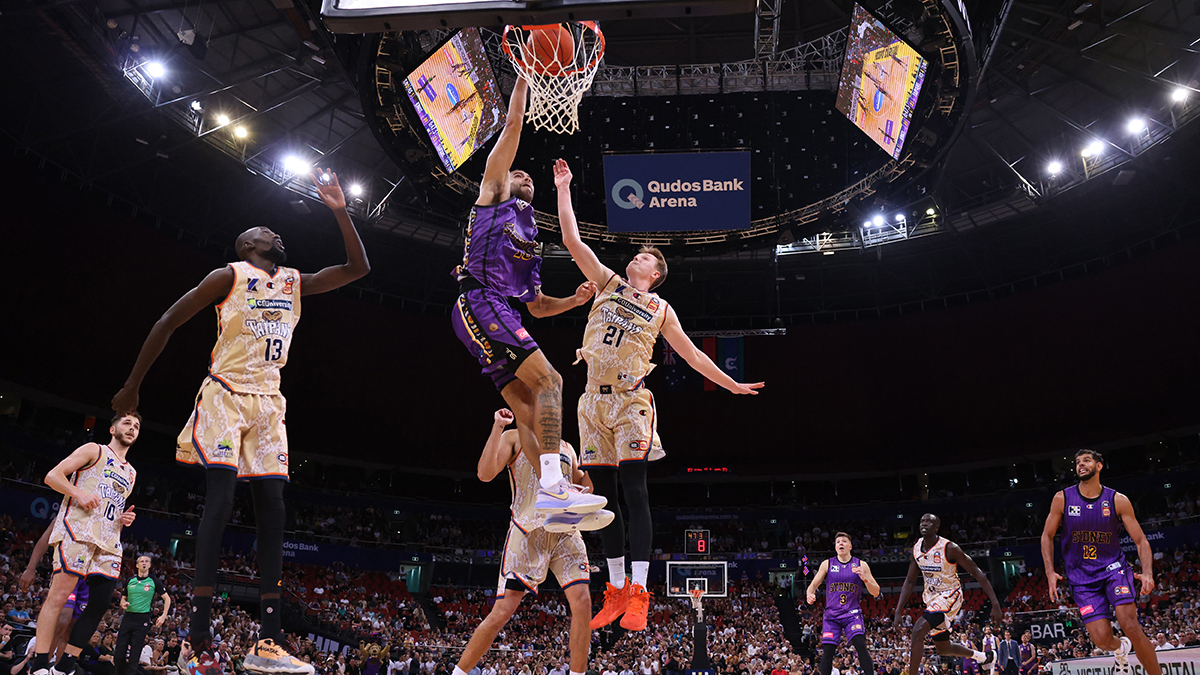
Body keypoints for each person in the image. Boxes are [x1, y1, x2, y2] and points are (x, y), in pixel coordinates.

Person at [111, 168, 369, 675]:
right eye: (266, 230)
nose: (277, 232)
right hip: (226, 394)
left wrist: (339, 209)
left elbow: (358, 269)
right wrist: (132, 385)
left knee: (273, 511)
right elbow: (167, 320)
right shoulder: (227, 275)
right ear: (248, 243)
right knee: (223, 499)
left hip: (270, 403)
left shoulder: (294, 281)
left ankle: (269, 642)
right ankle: (199, 634)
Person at [553, 158, 764, 632]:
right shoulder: (607, 283)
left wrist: (730, 383)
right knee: (602, 501)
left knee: (634, 491)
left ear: (656, 272)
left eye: (645, 257)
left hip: (630, 402)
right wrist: (564, 188)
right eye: (636, 255)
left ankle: (641, 592)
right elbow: (571, 240)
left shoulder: (660, 307)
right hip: (591, 403)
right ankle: (615, 591)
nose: (636, 258)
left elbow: (690, 356)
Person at [450, 78, 605, 516]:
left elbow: (536, 306)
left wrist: (573, 301)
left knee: (528, 405)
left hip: (493, 309)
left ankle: (549, 493)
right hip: (479, 300)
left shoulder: (532, 236)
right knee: (551, 382)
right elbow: (515, 125)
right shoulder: (493, 198)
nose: (524, 176)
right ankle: (555, 484)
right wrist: (524, 76)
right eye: (519, 172)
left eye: (528, 177)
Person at [449, 408, 607, 675]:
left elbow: (585, 490)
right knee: (502, 611)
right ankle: (458, 673)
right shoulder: (516, 436)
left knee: (582, 601)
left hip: (565, 532)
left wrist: (596, 458)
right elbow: (484, 474)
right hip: (528, 532)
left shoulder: (568, 448)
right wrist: (497, 426)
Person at [28, 414, 140, 675]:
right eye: (127, 423)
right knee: (57, 597)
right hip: (78, 531)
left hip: (109, 540)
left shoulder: (132, 473)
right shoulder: (95, 450)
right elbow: (53, 476)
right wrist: (78, 493)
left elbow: (111, 505)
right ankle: (40, 665)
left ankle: (65, 665)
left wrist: (125, 518)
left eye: (136, 426)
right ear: (112, 429)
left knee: (101, 603)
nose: (132, 428)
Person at [1039, 449, 1162, 675]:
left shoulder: (1117, 500)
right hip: (1080, 576)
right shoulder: (1062, 498)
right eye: (1077, 462)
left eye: (1086, 460)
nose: (1080, 465)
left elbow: (1141, 540)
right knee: (1101, 640)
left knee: (1130, 623)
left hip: (1113, 568)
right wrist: (1049, 572)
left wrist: (1147, 572)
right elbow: (1046, 536)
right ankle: (1121, 648)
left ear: (1099, 466)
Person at [894, 513, 999, 675]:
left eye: (930, 522)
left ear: (936, 528)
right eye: (922, 520)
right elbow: (909, 581)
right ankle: (984, 657)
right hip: (931, 599)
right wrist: (898, 610)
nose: (925, 523)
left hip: (951, 595)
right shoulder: (916, 548)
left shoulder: (950, 548)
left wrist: (995, 604)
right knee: (943, 648)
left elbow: (977, 572)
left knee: (918, 631)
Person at [806, 532, 881, 675]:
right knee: (827, 651)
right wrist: (810, 593)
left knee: (860, 645)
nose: (841, 543)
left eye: (844, 541)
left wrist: (865, 578)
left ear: (850, 546)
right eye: (838, 542)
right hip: (832, 615)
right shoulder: (827, 563)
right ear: (835, 547)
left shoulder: (861, 564)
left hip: (851, 614)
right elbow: (813, 584)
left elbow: (876, 592)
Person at [114, 556, 171, 675]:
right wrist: (123, 603)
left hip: (142, 619)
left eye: (146, 561)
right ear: (137, 565)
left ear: (149, 565)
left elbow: (167, 599)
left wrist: (163, 616)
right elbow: (123, 598)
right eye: (141, 561)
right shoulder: (130, 580)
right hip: (128, 617)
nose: (144, 563)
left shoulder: (154, 581)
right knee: (119, 653)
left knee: (135, 654)